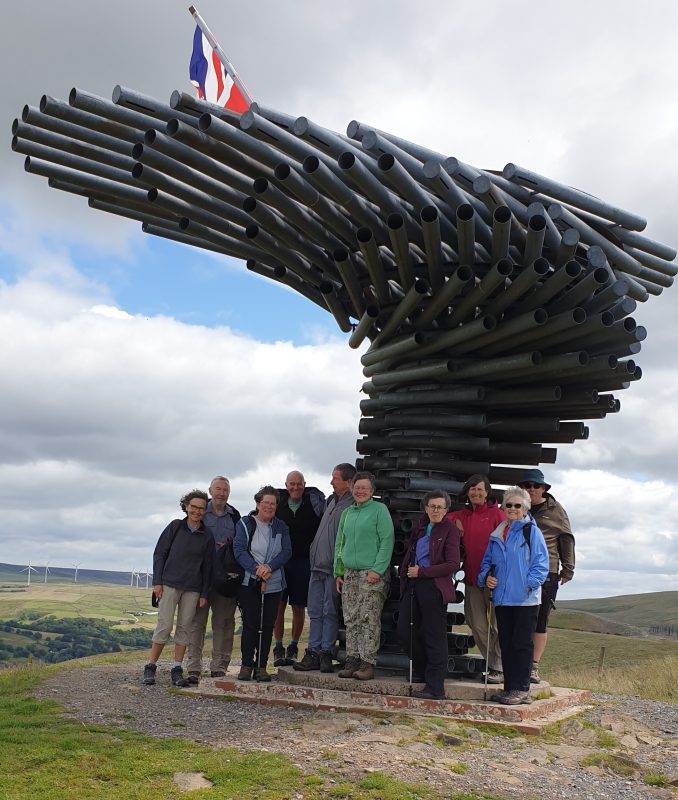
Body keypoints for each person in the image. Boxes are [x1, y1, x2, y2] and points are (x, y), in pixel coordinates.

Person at [478, 486, 549, 705]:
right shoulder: (497, 534)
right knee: (507, 644)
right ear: (503, 506)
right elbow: (487, 563)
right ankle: (510, 688)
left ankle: (521, 690)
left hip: (525, 600)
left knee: (521, 644)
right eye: (508, 505)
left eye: (517, 505)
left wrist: (529, 586)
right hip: (502, 598)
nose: (512, 509)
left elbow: (541, 564)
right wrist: (486, 578)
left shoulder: (532, 532)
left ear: (525, 508)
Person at [143, 490, 214, 687]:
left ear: (205, 511)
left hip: (192, 588)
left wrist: (204, 593)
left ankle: (176, 668)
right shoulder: (175, 527)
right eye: (194, 507)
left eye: (201, 508)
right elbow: (159, 554)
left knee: (184, 629)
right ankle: (150, 666)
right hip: (169, 584)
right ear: (186, 507)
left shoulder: (207, 536)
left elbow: (208, 567)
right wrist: (157, 582)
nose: (197, 511)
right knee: (164, 626)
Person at [397, 491, 460, 700]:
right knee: (405, 630)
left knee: (434, 635)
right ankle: (424, 671)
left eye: (440, 507)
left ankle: (435, 687)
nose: (435, 510)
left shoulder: (450, 530)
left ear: (446, 510)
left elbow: (452, 564)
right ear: (426, 508)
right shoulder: (421, 527)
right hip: (413, 585)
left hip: (434, 586)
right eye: (432, 506)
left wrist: (422, 572)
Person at [294, 463, 357, 673]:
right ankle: (313, 651)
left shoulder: (352, 505)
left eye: (335, 478)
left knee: (329, 611)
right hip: (317, 566)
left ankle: (325, 653)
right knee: (314, 610)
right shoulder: (331, 501)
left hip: (333, 568)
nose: (331, 482)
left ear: (347, 482)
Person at [334, 471, 394, 681]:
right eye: (357, 488)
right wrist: (338, 571)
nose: (360, 492)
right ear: (352, 489)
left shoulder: (380, 511)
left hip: (372, 574)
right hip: (349, 573)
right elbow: (340, 543)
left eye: (364, 488)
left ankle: (367, 663)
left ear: (372, 491)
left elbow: (387, 541)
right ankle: (352, 660)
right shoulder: (347, 513)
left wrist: (377, 570)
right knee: (351, 618)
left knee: (368, 618)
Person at [517, 468, 575, 684]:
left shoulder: (556, 510)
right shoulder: (515, 507)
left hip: (546, 571)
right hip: (517, 570)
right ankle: (514, 663)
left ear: (543, 488)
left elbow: (566, 538)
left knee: (540, 620)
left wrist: (568, 569)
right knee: (518, 618)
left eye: (536, 485)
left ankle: (533, 666)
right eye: (527, 485)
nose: (531, 489)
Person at [448, 474, 506, 684]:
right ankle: (496, 665)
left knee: (499, 626)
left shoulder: (497, 515)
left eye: (480, 489)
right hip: (472, 579)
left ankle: (499, 667)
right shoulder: (461, 515)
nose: (476, 493)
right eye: (472, 489)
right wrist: (454, 521)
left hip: (495, 580)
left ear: (487, 492)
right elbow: (438, 515)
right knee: (477, 624)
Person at [186, 476, 241, 684]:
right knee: (196, 623)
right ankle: (193, 667)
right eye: (218, 489)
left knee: (224, 623)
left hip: (225, 579)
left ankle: (219, 667)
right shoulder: (200, 512)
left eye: (225, 490)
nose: (221, 493)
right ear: (210, 490)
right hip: (200, 577)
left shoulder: (234, 516)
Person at [233, 486, 292, 682]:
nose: (269, 506)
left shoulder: (281, 527)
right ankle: (246, 665)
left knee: (267, 625)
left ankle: (261, 666)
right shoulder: (245, 523)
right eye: (265, 503)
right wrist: (256, 569)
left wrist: (269, 567)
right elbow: (239, 549)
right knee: (250, 624)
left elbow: (286, 552)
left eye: (273, 504)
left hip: (274, 583)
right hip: (249, 582)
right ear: (258, 504)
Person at [272, 470, 325, 666]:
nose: (295, 488)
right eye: (292, 484)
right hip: (280, 562)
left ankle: (293, 647)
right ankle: (278, 647)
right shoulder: (279, 505)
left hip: (304, 562)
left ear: (305, 484)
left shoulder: (314, 504)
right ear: (286, 485)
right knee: (278, 605)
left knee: (298, 606)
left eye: (299, 484)